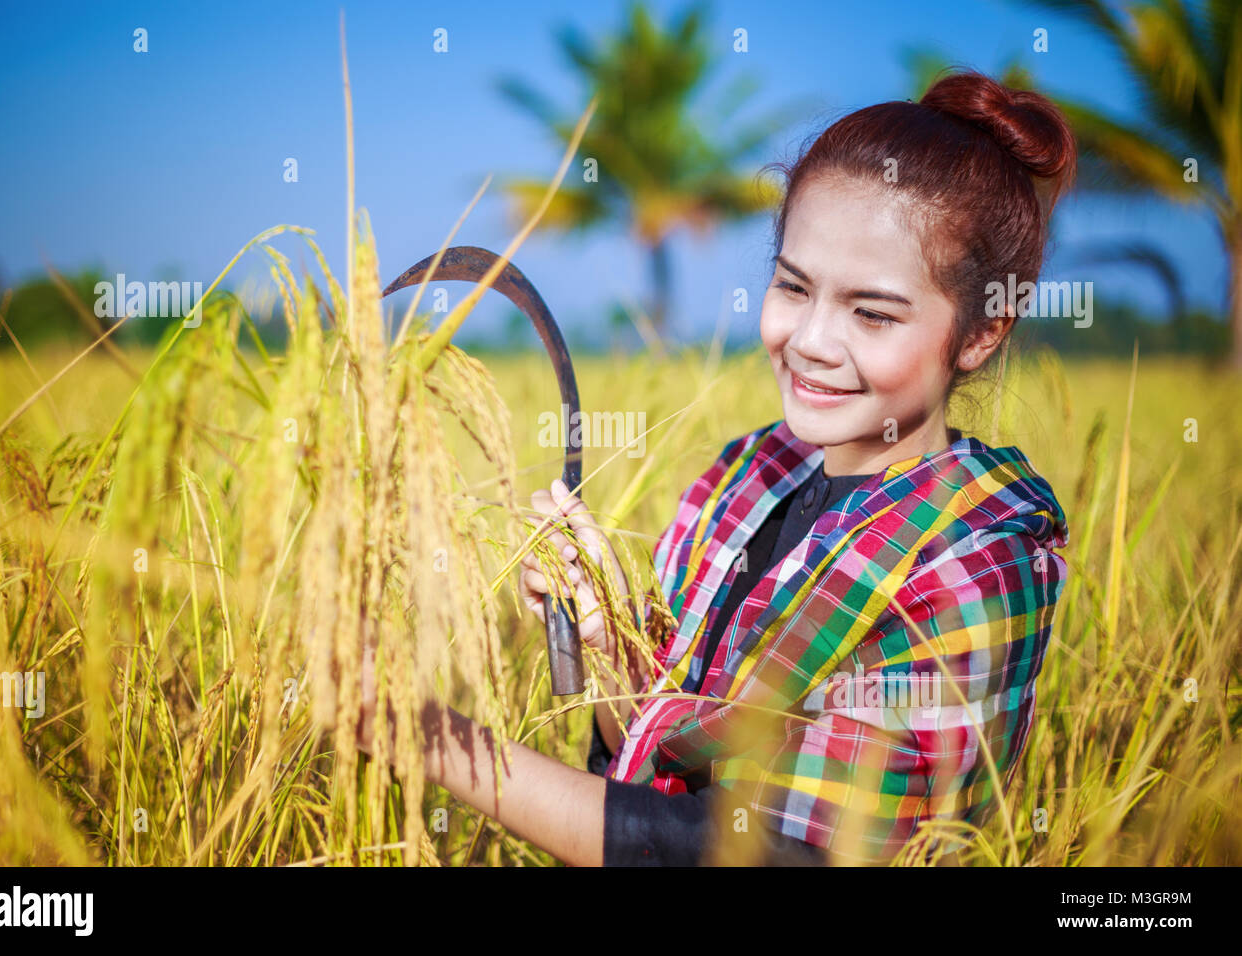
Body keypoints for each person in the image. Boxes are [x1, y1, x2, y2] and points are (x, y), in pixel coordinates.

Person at [357, 67, 1076, 867]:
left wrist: (425, 735)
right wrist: (605, 636)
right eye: (792, 287)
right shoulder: (747, 476)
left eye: (871, 312)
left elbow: (756, 853)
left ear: (980, 334)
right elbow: (653, 750)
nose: (810, 340)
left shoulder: (975, 560)